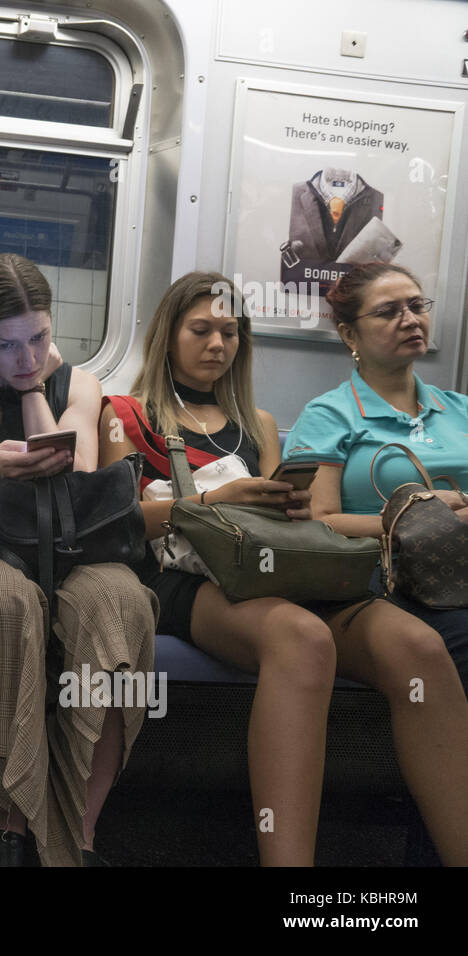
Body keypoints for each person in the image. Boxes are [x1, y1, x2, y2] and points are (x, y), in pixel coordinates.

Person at [99, 270, 468, 866]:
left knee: (419, 647)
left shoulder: (260, 425)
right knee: (301, 638)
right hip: (182, 578)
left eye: (230, 332)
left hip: (274, 572)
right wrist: (214, 502)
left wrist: (286, 504)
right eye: (201, 330)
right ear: (167, 335)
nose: (218, 345)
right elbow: (116, 522)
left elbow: (293, 527)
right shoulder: (125, 414)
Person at [0, 254, 158, 867]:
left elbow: (73, 474)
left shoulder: (78, 383)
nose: (26, 356)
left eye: (39, 338)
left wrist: (33, 389)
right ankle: (6, 829)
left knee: (118, 602)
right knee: (3, 600)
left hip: (67, 548)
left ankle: (79, 835)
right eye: (7, 345)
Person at [283, 262, 468, 863]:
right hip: (380, 583)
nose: (410, 320)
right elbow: (317, 519)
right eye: (389, 311)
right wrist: (414, 509)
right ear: (350, 335)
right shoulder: (329, 415)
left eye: (416, 305)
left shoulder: (459, 409)